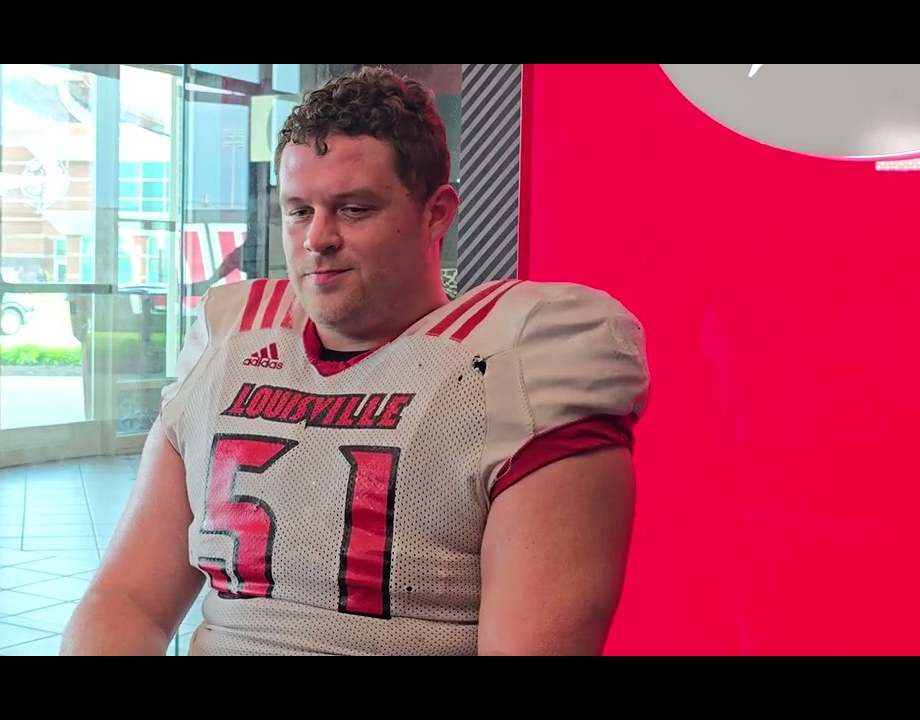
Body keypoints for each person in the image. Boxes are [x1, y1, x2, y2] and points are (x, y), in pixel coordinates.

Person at [60, 66, 650, 656]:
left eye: (354, 209)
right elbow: (126, 601)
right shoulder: (229, 341)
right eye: (298, 210)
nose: (317, 237)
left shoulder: (517, 365)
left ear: (437, 213)